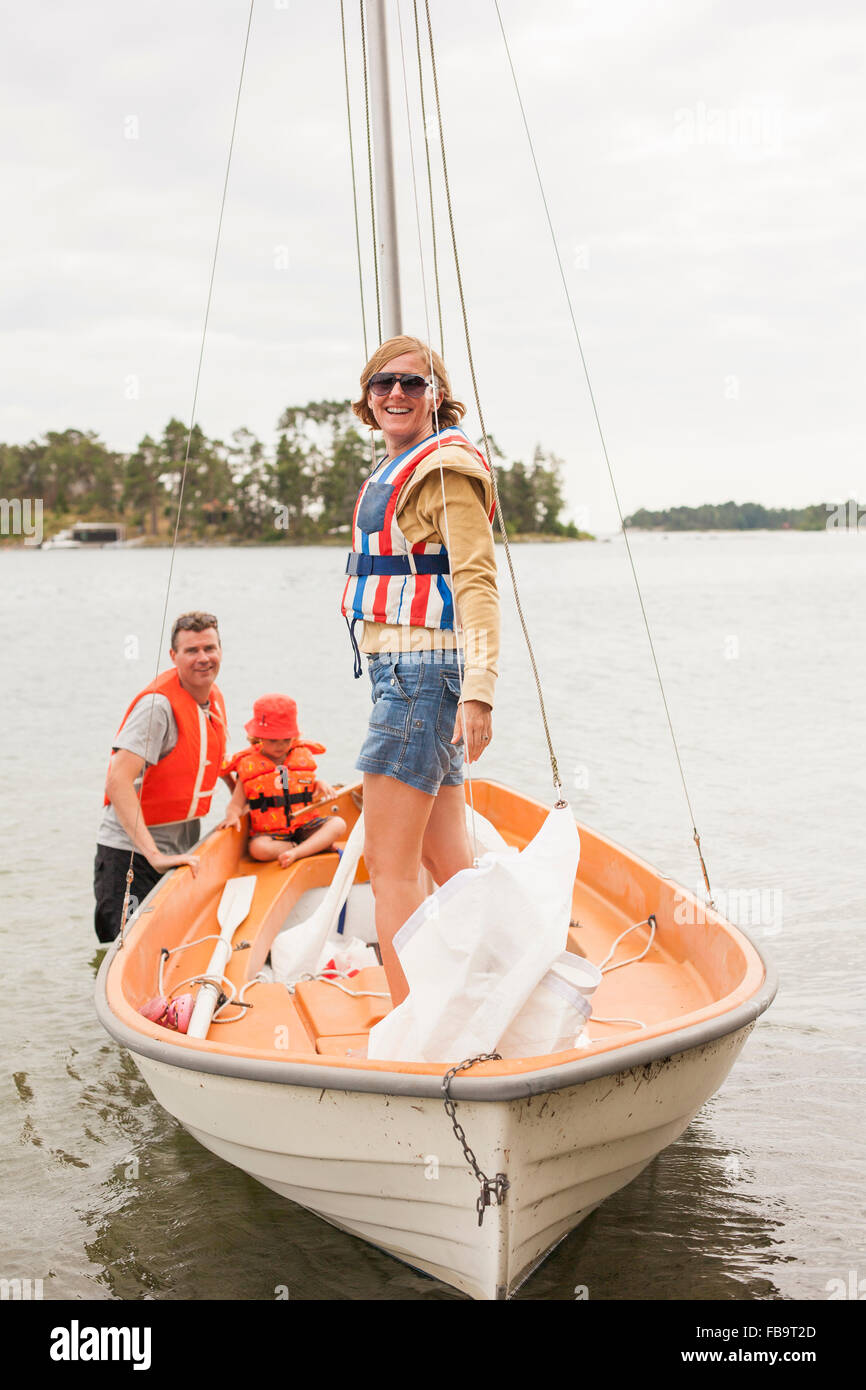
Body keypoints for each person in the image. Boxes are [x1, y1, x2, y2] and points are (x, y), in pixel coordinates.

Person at [341, 335, 500, 1004]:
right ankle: (488, 988)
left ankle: (414, 1024)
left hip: (421, 676)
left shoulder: (443, 471)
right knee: (447, 863)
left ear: (439, 396)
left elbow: (477, 582)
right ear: (366, 399)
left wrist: (481, 693)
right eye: (383, 384)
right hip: (407, 677)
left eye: (413, 382)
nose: (397, 394)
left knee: (390, 869)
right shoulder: (400, 468)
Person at [93, 611, 228, 943]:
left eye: (209, 648)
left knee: (168, 949)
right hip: (133, 856)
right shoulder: (158, 708)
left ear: (220, 651)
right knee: (126, 952)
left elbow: (210, 761)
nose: (203, 658)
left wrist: (242, 801)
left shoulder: (212, 699)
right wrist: (153, 855)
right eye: (191, 651)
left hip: (179, 850)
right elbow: (117, 781)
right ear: (173, 656)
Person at [220, 694, 346, 868]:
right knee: (258, 849)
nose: (280, 746)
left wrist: (320, 784)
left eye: (286, 740)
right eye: (273, 741)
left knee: (338, 824)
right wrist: (232, 816)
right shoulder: (250, 766)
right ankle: (306, 848)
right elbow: (235, 804)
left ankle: (297, 853)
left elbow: (302, 784)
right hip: (272, 835)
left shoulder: (299, 758)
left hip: (305, 827)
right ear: (258, 738)